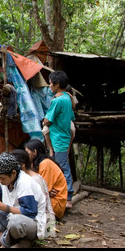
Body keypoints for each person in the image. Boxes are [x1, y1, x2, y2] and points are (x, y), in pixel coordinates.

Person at [0, 152, 46, 247]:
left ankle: (5, 241)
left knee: (15, 222)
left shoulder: (24, 183)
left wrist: (2, 207)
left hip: (31, 223)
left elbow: (30, 212)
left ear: (13, 173)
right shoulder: (6, 179)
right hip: (11, 216)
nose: (0, 181)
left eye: (2, 178)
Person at [42, 70, 75, 208]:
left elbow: (47, 120)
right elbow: (71, 117)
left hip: (58, 138)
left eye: (50, 83)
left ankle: (68, 197)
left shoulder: (57, 100)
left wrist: (44, 121)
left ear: (57, 84)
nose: (49, 85)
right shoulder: (67, 98)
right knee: (60, 165)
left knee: (63, 167)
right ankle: (62, 194)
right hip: (64, 136)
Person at [10, 149, 56, 237]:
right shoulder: (26, 178)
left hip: (44, 221)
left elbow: (32, 210)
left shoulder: (31, 180)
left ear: (22, 165)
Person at [25, 139, 68, 219]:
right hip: (50, 200)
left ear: (34, 152)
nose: (26, 155)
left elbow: (40, 191)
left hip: (55, 205)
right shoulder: (39, 164)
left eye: (27, 152)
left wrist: (46, 191)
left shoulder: (45, 164)